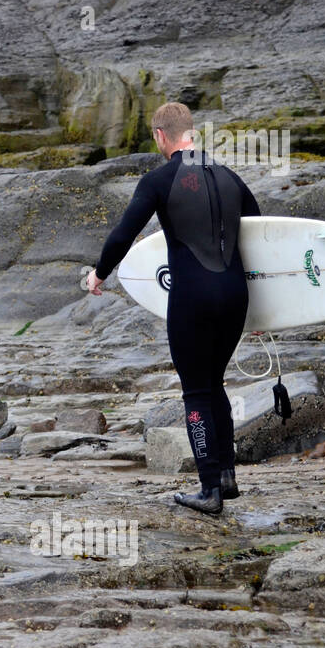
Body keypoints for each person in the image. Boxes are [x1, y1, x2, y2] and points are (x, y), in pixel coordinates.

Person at [86, 103, 261, 515]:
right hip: (235, 297)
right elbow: (263, 234)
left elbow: (123, 233)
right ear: (193, 134)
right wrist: (265, 312)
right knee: (214, 382)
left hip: (193, 299)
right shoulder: (230, 177)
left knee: (196, 391)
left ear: (161, 136)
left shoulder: (159, 180)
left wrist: (100, 274)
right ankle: (226, 476)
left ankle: (208, 490)